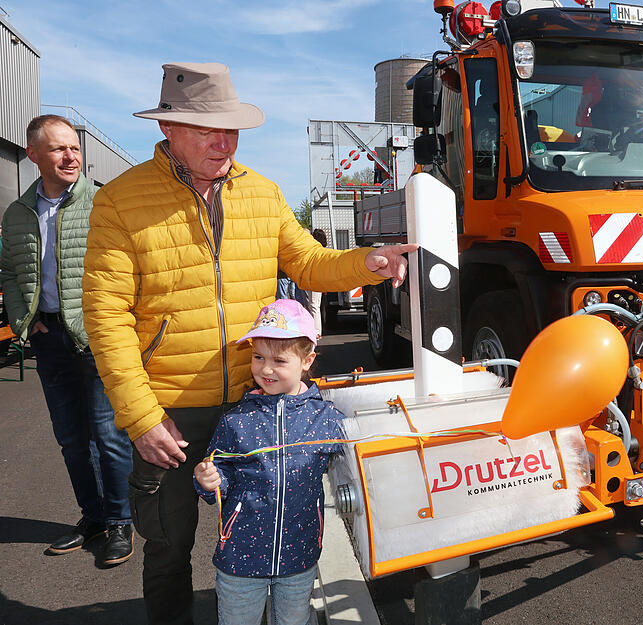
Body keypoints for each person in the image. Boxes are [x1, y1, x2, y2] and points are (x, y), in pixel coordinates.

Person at [81, 62, 415, 625]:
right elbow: (106, 315)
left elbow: (307, 261)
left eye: (230, 129)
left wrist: (368, 262)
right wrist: (140, 417)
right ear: (168, 130)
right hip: (169, 410)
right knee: (168, 545)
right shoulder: (119, 200)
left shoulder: (262, 193)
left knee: (265, 531)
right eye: (206, 129)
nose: (223, 142)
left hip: (254, 403)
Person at [0, 114, 134, 566]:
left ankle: (120, 522)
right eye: (58, 149)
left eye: (74, 147)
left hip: (99, 336)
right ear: (33, 154)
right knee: (71, 438)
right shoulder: (18, 213)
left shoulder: (103, 204)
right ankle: (93, 518)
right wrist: (25, 318)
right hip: (49, 339)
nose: (70, 155)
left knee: (108, 434)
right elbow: (10, 272)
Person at [194, 299, 340, 625]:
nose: (266, 368)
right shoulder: (236, 419)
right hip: (240, 555)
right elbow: (222, 470)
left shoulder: (326, 419)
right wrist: (210, 480)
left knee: (294, 620)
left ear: (307, 360)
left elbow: (357, 457)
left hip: (298, 553)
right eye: (258, 357)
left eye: (279, 360)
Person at [308, 228, 328, 337]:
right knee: (316, 305)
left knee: (314, 305)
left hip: (315, 280)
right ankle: (317, 330)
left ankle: (316, 331)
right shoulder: (323, 250)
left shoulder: (317, 251)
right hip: (319, 281)